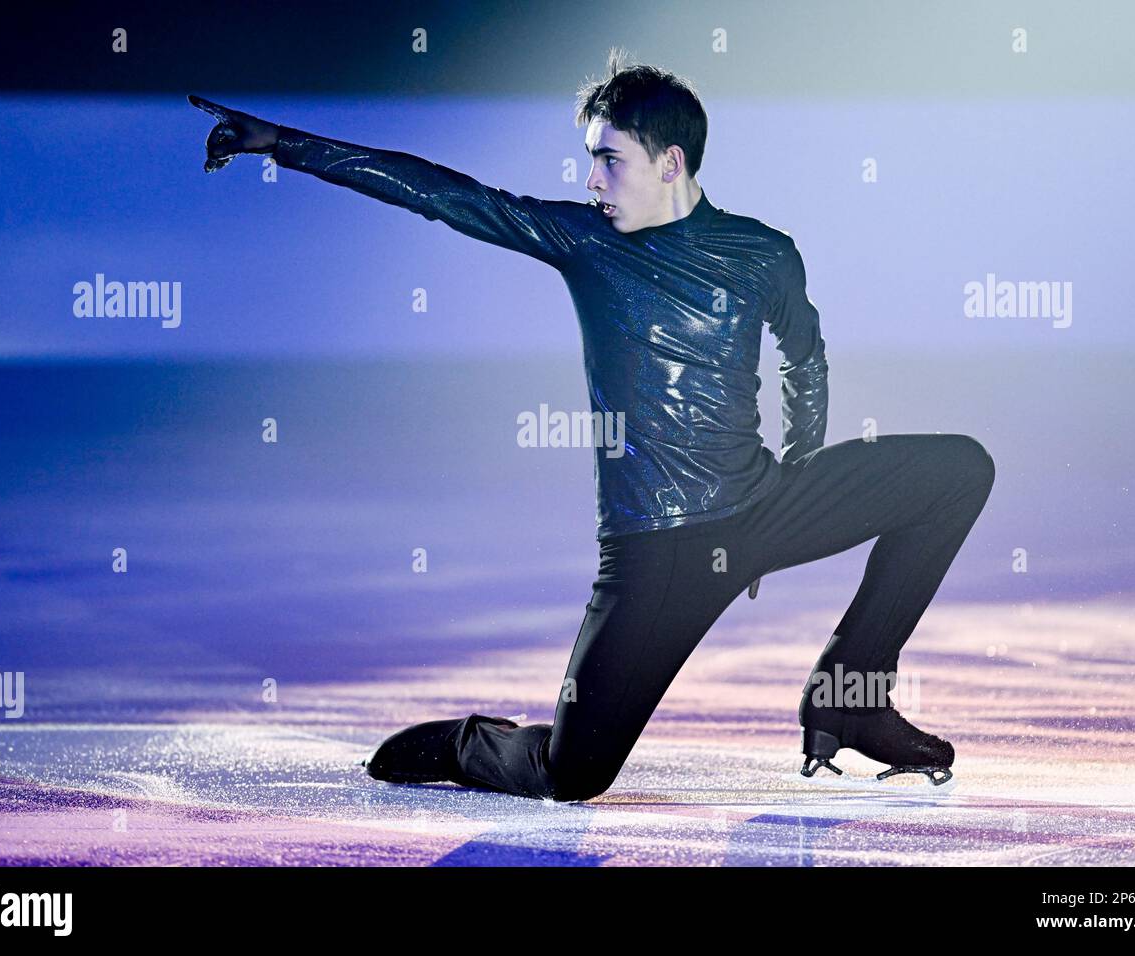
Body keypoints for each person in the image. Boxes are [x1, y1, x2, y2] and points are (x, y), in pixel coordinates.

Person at [189, 49, 994, 802]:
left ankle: (848, 694)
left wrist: (800, 477)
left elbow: (805, 360)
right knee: (572, 775)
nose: (592, 177)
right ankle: (466, 743)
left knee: (960, 470)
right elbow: (443, 194)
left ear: (670, 163)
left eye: (610, 159)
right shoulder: (583, 242)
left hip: (764, 504)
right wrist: (282, 143)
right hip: (660, 550)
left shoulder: (763, 254)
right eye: (590, 159)